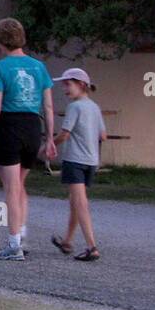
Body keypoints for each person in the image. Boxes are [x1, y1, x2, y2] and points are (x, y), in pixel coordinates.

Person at [0, 18, 55, 261]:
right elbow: (48, 106)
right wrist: (50, 138)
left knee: (11, 189)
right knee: (20, 185)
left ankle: (14, 244)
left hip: (10, 127)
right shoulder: (38, 66)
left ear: (1, 41)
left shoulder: (0, 68)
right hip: (33, 127)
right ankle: (21, 233)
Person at [50, 68, 107, 261]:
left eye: (68, 84)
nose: (65, 88)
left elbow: (65, 133)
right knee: (75, 201)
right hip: (91, 161)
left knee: (80, 203)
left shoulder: (75, 107)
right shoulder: (94, 107)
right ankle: (67, 241)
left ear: (81, 85)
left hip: (74, 160)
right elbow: (103, 135)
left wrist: (48, 145)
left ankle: (92, 246)